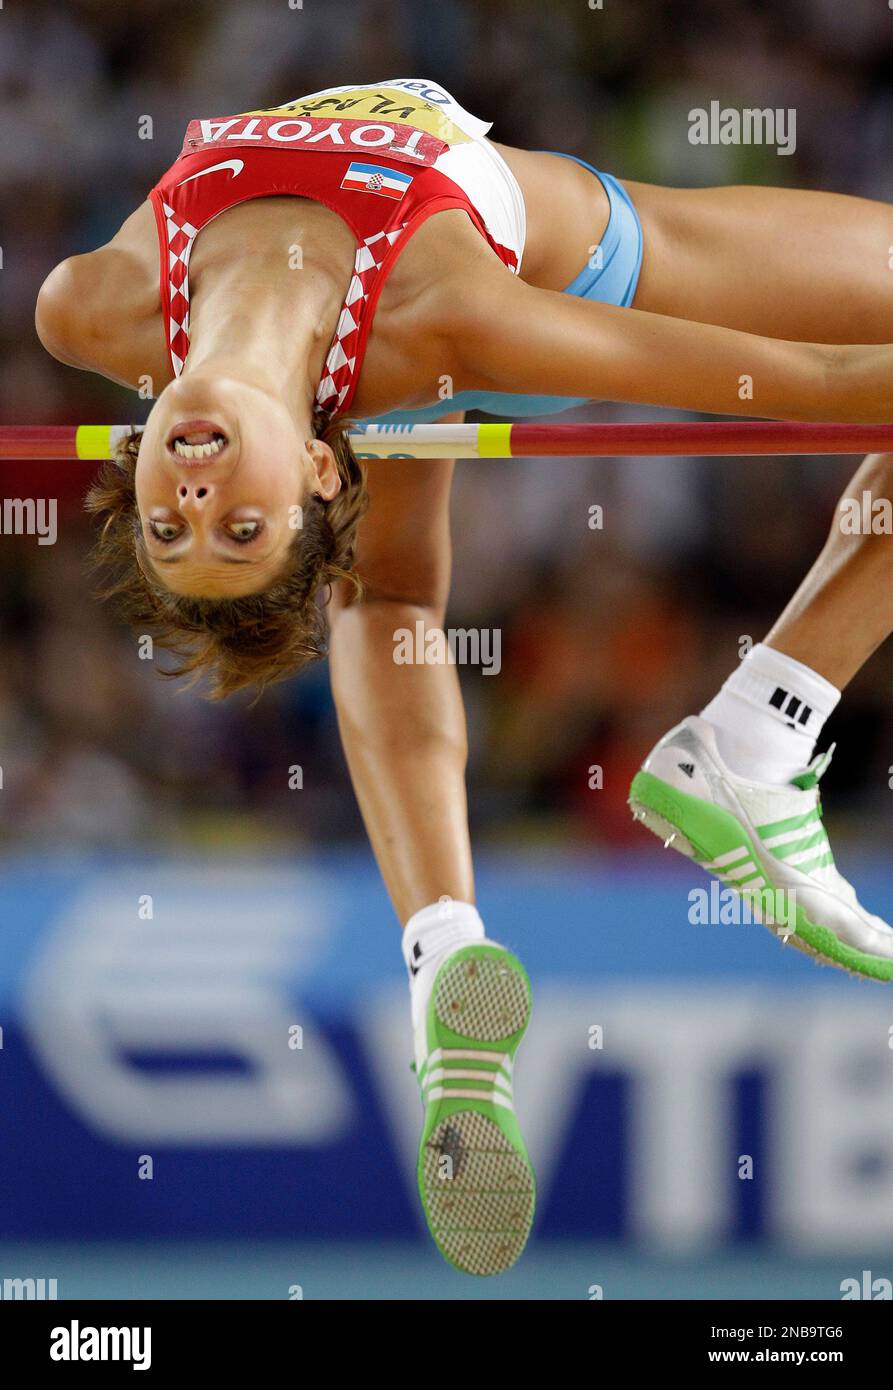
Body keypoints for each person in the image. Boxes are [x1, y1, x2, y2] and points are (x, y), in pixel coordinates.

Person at [35, 77, 893, 1274]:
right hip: (560, 279)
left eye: (173, 530)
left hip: (395, 338)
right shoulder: (446, 325)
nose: (194, 504)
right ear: (322, 479)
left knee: (387, 595)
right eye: (241, 531)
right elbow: (795, 386)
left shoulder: (93, 307)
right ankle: (757, 735)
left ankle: (442, 951)